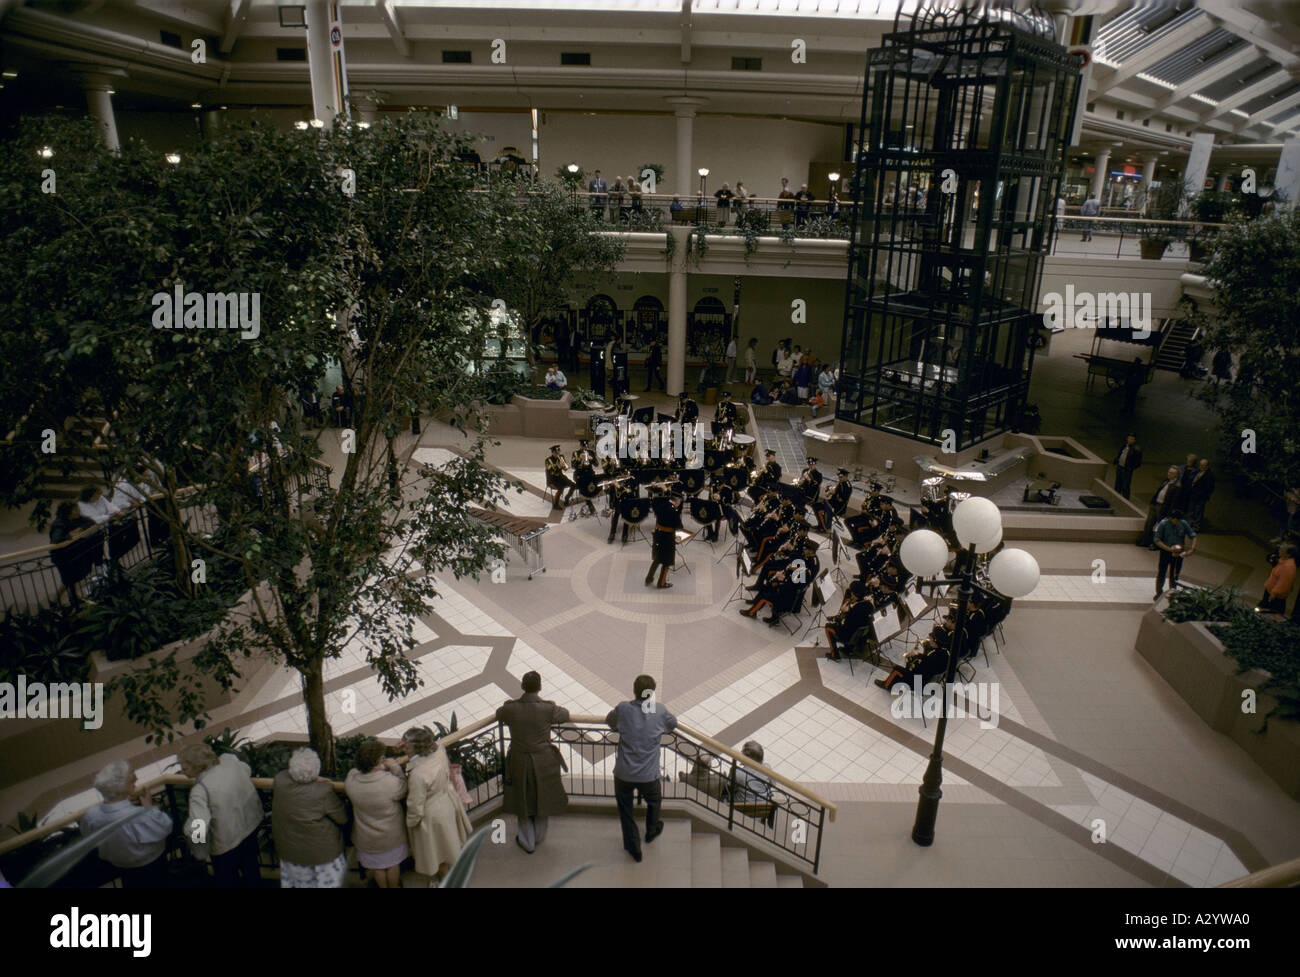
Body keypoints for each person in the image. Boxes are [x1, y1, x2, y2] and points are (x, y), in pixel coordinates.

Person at [496, 671, 570, 854]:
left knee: (521, 798)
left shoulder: (510, 708)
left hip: (519, 760)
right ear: (540, 687)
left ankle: (526, 841)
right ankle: (538, 836)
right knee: (542, 797)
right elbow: (565, 715)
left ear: (522, 686)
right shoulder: (548, 708)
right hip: (543, 759)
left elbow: (499, 714)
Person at [606, 675, 677, 863]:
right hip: (648, 775)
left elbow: (610, 722)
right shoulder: (659, 711)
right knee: (654, 801)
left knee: (625, 809)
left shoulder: (623, 708)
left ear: (634, 690)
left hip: (624, 773)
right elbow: (673, 724)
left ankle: (633, 846)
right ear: (651, 693)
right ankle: (651, 830)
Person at [178, 743, 264, 888]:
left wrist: (198, 851)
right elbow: (246, 770)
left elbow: (199, 827)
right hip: (250, 828)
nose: (181, 772)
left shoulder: (200, 791)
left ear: (198, 767)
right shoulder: (229, 761)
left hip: (225, 844)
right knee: (252, 870)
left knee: (228, 881)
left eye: (185, 768)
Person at [80, 760, 173, 888]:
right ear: (121, 787)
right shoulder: (138, 815)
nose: (136, 777)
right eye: (131, 778)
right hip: (151, 865)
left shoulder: (91, 815)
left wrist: (125, 800)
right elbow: (164, 827)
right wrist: (148, 807)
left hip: (122, 867)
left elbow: (89, 838)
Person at [402, 726, 472, 884]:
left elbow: (415, 804)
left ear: (414, 748)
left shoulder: (418, 774)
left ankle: (445, 881)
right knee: (448, 846)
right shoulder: (439, 750)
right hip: (446, 804)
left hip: (430, 817)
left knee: (437, 853)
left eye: (406, 746)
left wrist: (411, 823)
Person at [271, 747, 348, 888]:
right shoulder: (324, 791)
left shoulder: (280, 781)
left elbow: (285, 775)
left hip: (290, 852)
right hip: (323, 855)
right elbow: (342, 818)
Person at [344, 739, 409, 889]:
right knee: (392, 865)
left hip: (367, 838)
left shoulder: (352, 782)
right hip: (391, 836)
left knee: (378, 867)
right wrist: (395, 768)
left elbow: (353, 772)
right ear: (378, 761)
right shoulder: (389, 783)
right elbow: (403, 787)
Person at [49, 500, 98, 606]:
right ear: (68, 512)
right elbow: (56, 540)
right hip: (62, 556)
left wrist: (80, 528)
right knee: (69, 579)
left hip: (73, 554)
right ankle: (57, 600)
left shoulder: (76, 519)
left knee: (72, 579)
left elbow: (91, 522)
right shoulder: (59, 524)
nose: (78, 511)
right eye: (75, 510)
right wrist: (69, 535)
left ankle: (69, 599)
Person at [1153, 510, 1196, 601]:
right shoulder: (1164, 524)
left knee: (1175, 574)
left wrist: (1192, 549)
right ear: (1171, 518)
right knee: (1162, 572)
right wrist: (1168, 549)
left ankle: (1173, 592)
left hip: (1178, 553)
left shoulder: (1183, 523)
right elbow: (1157, 540)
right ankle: (1159, 593)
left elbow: (1193, 535)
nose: (1177, 522)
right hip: (1166, 552)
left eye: (1178, 521)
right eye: (1175, 520)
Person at [646, 491, 685, 589]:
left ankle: (649, 578)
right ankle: (661, 583)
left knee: (657, 559)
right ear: (677, 502)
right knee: (666, 561)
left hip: (658, 534)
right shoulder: (673, 512)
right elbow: (679, 526)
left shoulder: (662, 505)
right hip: (667, 537)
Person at [1138, 466, 1182, 548]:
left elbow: (1174, 501)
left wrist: (1169, 512)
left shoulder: (1177, 486)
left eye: (1171, 473)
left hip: (1163, 508)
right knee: (1149, 524)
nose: (1169, 474)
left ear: (1176, 475)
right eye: (1169, 472)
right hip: (1156, 504)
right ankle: (1145, 541)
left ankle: (1156, 545)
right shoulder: (1166, 481)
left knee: (1159, 528)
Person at [1257, 544, 1296, 615]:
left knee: (1270, 612)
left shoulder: (1288, 567)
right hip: (1270, 590)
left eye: (1281, 550)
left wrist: (1273, 593)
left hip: (1275, 596)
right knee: (1262, 609)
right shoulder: (1283, 559)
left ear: (1288, 554)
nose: (1279, 551)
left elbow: (1284, 584)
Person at [1185, 458, 1215, 529]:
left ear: (1207, 466)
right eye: (1200, 465)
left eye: (1202, 465)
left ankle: (1196, 526)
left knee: (1198, 512)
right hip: (1193, 495)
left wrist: (1203, 496)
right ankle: (1189, 525)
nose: (1200, 466)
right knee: (1190, 511)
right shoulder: (1197, 472)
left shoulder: (1209, 475)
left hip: (1200, 497)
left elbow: (1210, 488)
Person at [1113, 434, 1143, 500]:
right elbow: (1120, 454)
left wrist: (1131, 467)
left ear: (1134, 440)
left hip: (1127, 469)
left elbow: (1138, 461)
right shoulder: (1124, 446)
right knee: (1118, 482)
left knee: (1125, 485)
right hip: (1120, 467)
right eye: (1128, 438)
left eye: (1131, 439)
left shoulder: (1136, 449)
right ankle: (1116, 496)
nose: (1129, 440)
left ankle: (1125, 499)